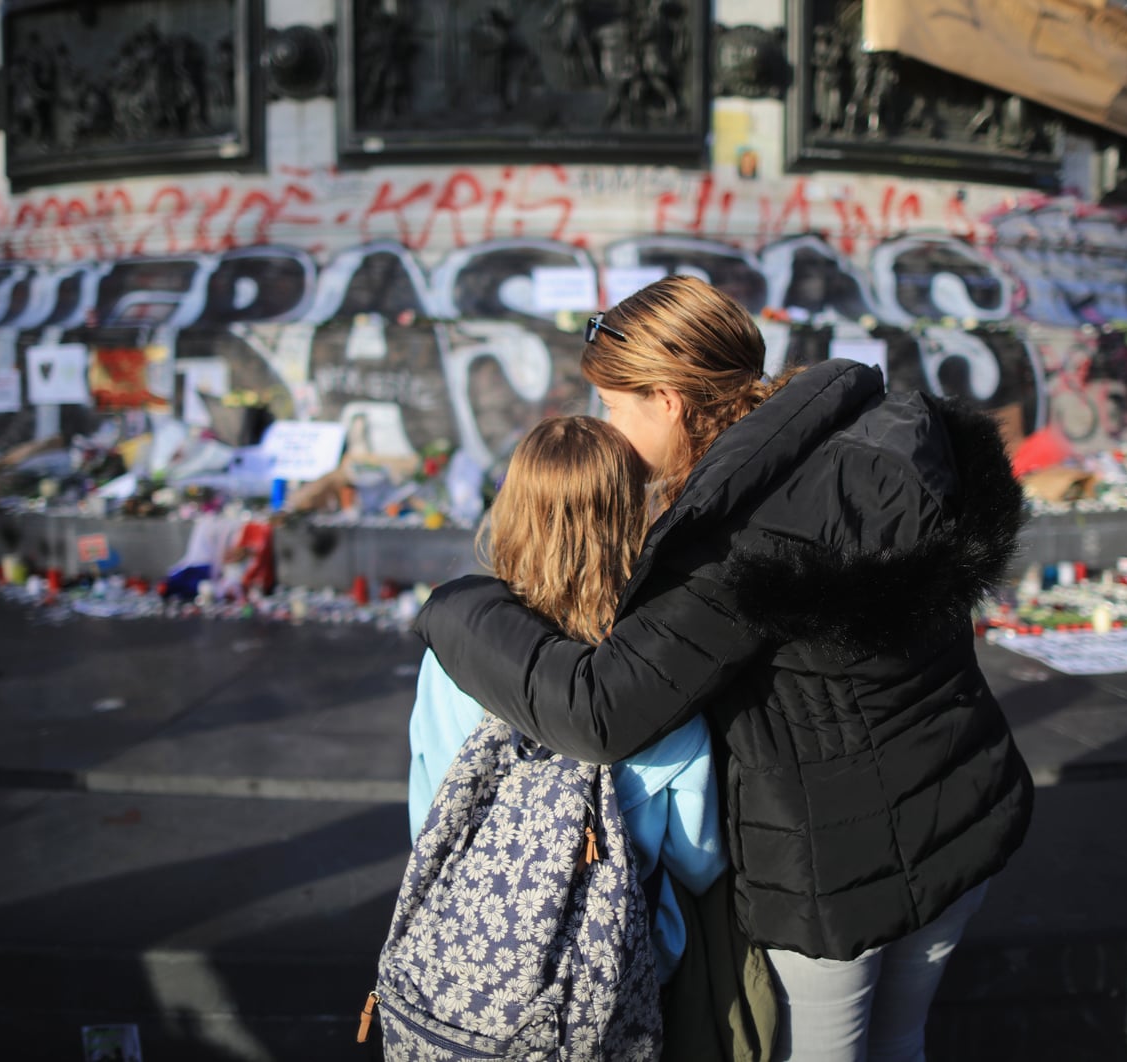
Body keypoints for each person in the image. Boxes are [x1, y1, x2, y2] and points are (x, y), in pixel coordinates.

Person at [415, 275, 1034, 1061]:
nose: (608, 424)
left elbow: (600, 711)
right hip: (965, 811)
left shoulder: (734, 543)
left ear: (669, 400)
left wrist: (454, 607)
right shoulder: (874, 433)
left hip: (839, 878)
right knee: (903, 1039)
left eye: (614, 404)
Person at [407, 414, 726, 986]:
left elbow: (427, 812)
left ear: (514, 510)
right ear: (633, 518)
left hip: (474, 954)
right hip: (617, 967)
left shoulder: (453, 658)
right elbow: (698, 860)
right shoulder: (655, 673)